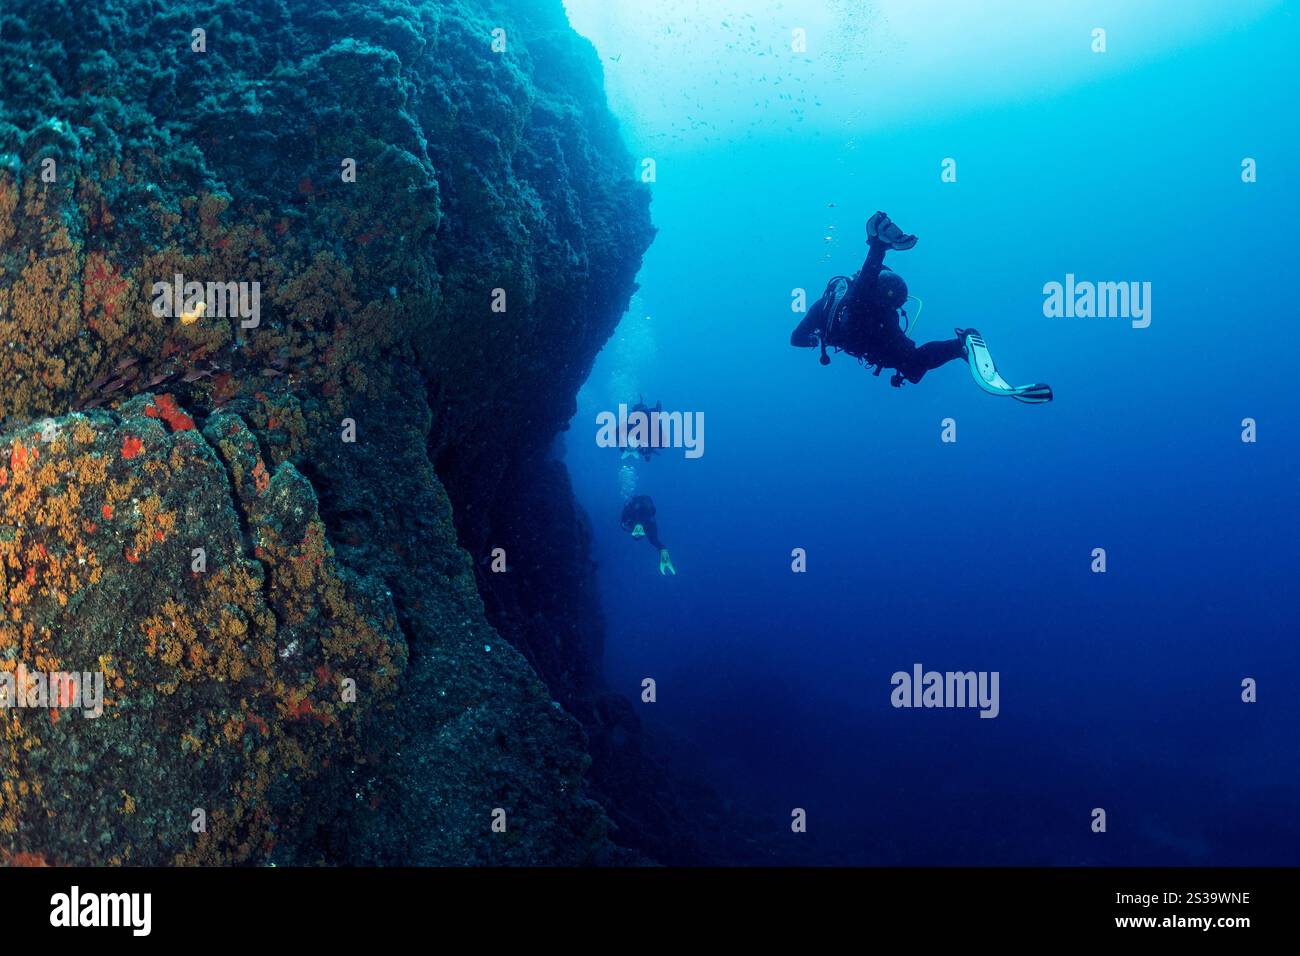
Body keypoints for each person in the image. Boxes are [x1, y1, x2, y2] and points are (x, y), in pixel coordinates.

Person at [791, 211, 1052, 402]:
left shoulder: (825, 306)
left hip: (864, 330)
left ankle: (877, 246)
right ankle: (960, 345)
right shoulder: (851, 299)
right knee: (913, 366)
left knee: (864, 310)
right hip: (879, 331)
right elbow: (800, 337)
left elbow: (797, 338)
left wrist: (818, 339)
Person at [620, 494, 675, 575]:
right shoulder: (647, 524)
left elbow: (623, 525)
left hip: (644, 517)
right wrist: (665, 559)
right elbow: (659, 545)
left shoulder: (630, 517)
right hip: (646, 520)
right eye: (639, 533)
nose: (638, 530)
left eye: (637, 532)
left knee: (653, 539)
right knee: (653, 540)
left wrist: (628, 525)